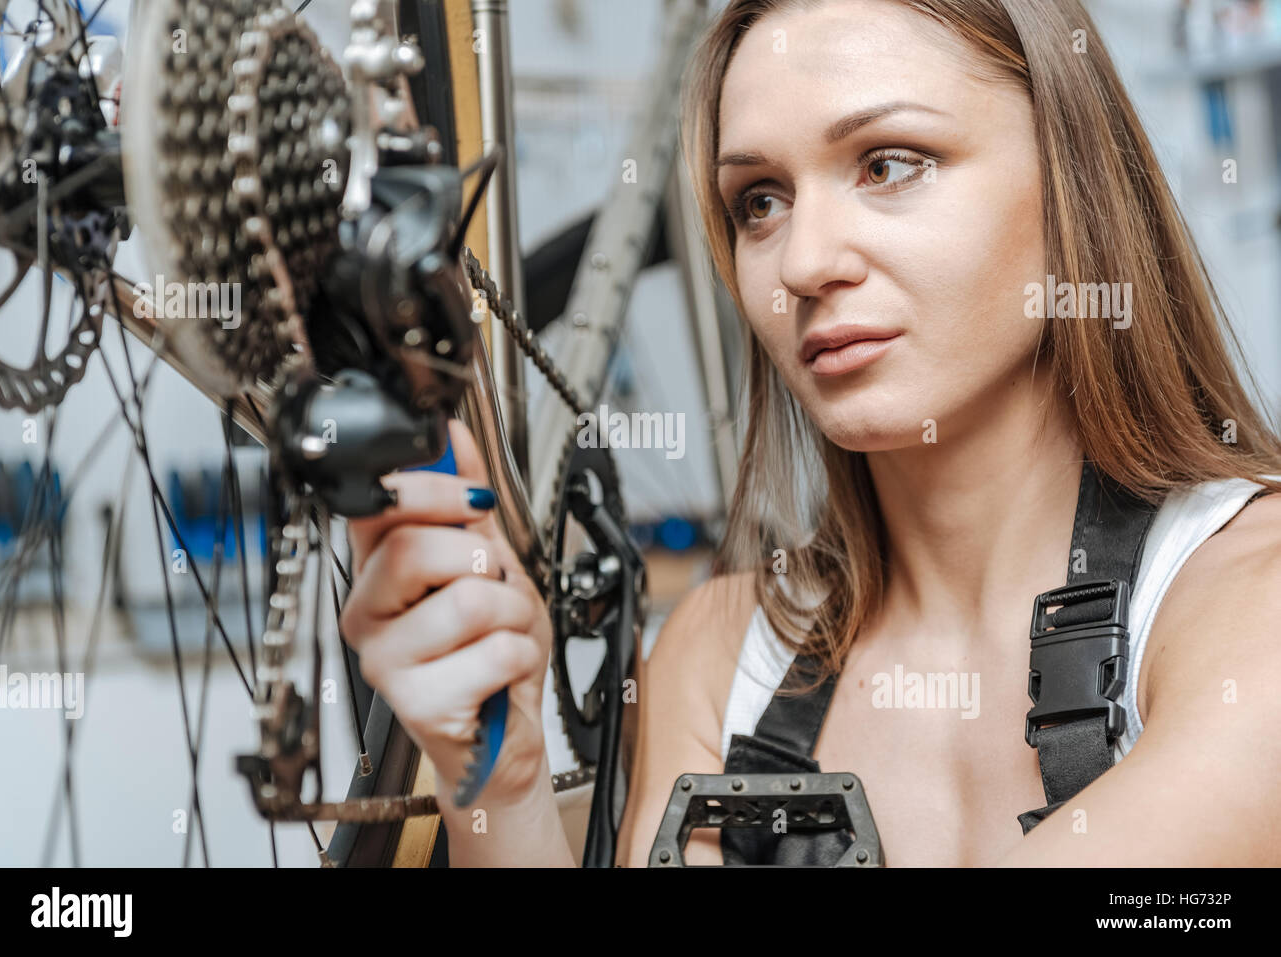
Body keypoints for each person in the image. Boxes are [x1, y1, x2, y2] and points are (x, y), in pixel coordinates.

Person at [340, 0, 1281, 867]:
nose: (804, 261)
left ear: (1075, 181)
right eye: (760, 199)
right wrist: (497, 785)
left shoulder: (1250, 600)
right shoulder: (720, 655)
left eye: (889, 164)